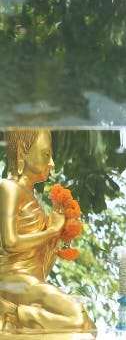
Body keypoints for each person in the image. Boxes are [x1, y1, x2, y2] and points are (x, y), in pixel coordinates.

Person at [0, 129, 93, 333]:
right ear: (22, 152)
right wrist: (51, 231)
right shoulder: (8, 187)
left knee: (86, 325)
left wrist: (58, 236)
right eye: (46, 154)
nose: (52, 164)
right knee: (78, 320)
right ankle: (12, 315)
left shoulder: (33, 199)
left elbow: (40, 267)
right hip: (13, 280)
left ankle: (17, 316)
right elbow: (10, 242)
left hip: (33, 281)